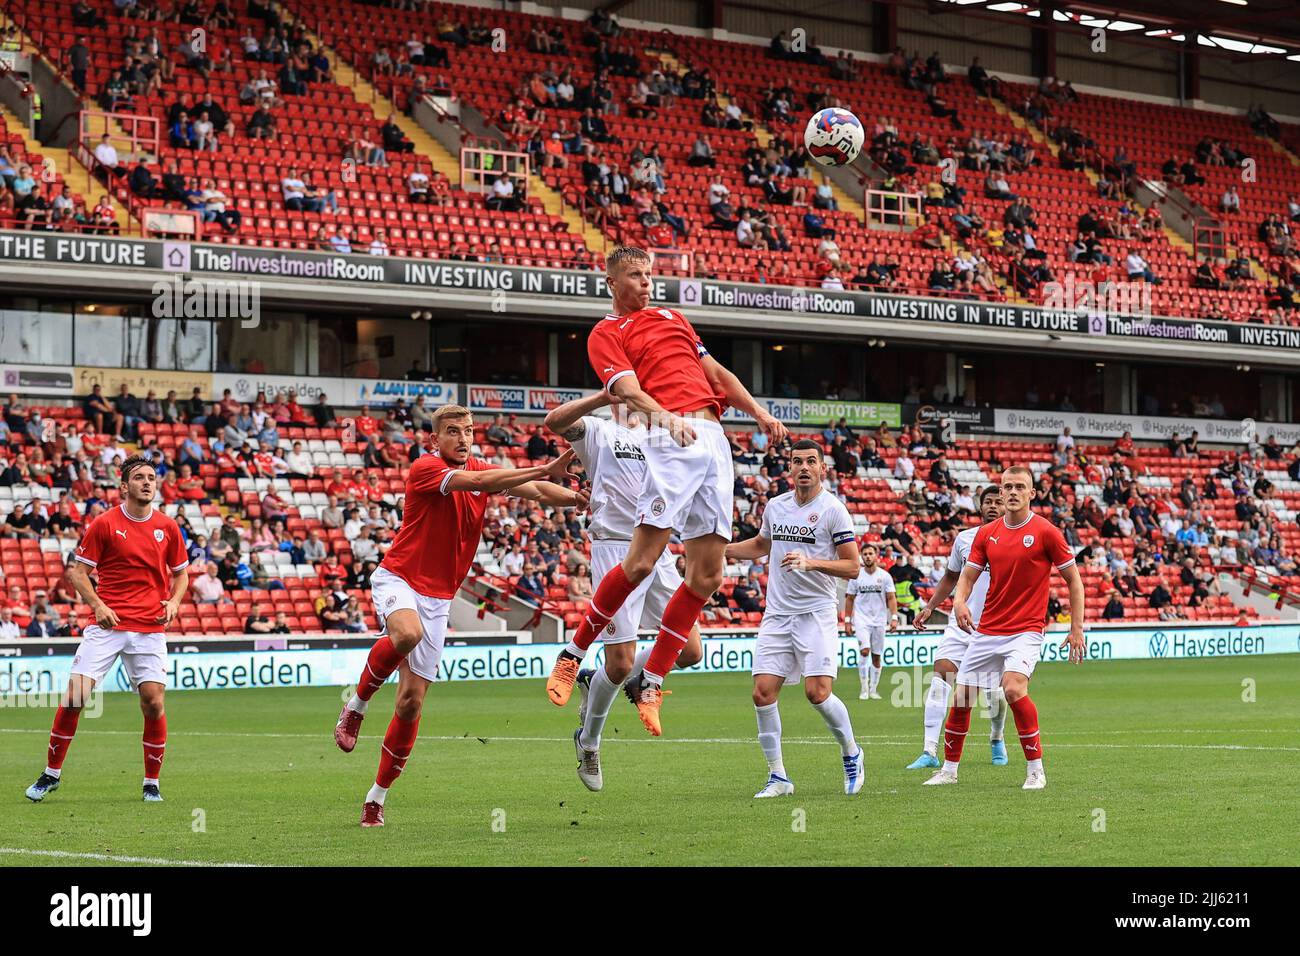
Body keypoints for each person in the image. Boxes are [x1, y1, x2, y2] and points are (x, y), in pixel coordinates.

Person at [546, 245, 787, 737]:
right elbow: (627, 391)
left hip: (714, 440)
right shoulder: (606, 332)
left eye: (649, 274)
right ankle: (572, 654)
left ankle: (652, 680)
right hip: (669, 437)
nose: (646, 282)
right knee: (639, 563)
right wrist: (665, 419)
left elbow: (715, 373)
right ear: (612, 281)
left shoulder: (674, 317)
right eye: (635, 275)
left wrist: (758, 412)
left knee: (708, 574)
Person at [332, 406, 587, 827]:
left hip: (439, 598)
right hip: (399, 578)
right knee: (406, 634)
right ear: (435, 440)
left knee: (411, 704)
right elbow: (483, 481)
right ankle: (355, 706)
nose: (462, 438)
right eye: (452, 432)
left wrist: (576, 496)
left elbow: (539, 492)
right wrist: (547, 466)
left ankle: (376, 799)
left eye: (468, 431)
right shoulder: (426, 468)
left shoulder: (482, 468)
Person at [542, 391, 706, 791]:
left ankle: (593, 678)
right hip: (615, 547)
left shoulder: (661, 438)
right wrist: (602, 394)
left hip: (658, 546)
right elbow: (556, 422)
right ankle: (589, 741)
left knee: (690, 651)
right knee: (619, 664)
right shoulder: (598, 430)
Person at [24, 455, 189, 804]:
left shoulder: (169, 527)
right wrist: (98, 606)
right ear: (124, 486)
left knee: (154, 703)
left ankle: (151, 783)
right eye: (140, 478)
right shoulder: (104, 523)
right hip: (107, 625)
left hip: (149, 628)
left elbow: (181, 574)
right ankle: (51, 774)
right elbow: (78, 573)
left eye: (152, 477)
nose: (148, 482)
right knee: (75, 697)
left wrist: (174, 602)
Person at [923, 466, 1085, 791]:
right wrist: (959, 602)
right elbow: (966, 575)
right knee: (962, 697)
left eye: (1019, 487)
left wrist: (1077, 627)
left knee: (1012, 689)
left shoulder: (1046, 532)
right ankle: (949, 770)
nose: (1012, 492)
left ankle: (1035, 771)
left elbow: (1074, 581)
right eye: (1007, 487)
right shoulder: (987, 533)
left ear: (1032, 494)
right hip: (988, 629)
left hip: (1026, 630)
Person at [722, 440, 865, 798]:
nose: (804, 467)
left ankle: (851, 752)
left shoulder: (833, 510)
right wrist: (722, 551)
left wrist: (811, 561)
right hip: (778, 614)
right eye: (797, 461)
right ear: (788, 468)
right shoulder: (776, 506)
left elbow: (853, 566)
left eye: (810, 461)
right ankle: (779, 777)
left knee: (817, 693)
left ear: (822, 469)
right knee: (762, 692)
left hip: (815, 613)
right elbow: (761, 544)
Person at [906, 486, 1008, 769]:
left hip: (997, 628)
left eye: (998, 502)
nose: (992, 506)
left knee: (995, 692)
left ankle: (996, 737)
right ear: (980, 507)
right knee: (940, 675)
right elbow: (951, 578)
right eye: (988, 502)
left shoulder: (1014, 541)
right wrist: (930, 606)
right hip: (960, 625)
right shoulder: (965, 539)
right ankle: (929, 751)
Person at [844, 543, 898, 700]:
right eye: (865, 554)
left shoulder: (884, 576)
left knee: (876, 656)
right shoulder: (856, 576)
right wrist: (847, 621)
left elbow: (891, 598)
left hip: (879, 620)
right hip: (861, 620)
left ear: (876, 555)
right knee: (864, 650)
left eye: (870, 553)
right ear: (861, 556)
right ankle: (864, 688)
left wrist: (893, 618)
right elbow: (849, 599)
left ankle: (874, 689)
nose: (867, 556)